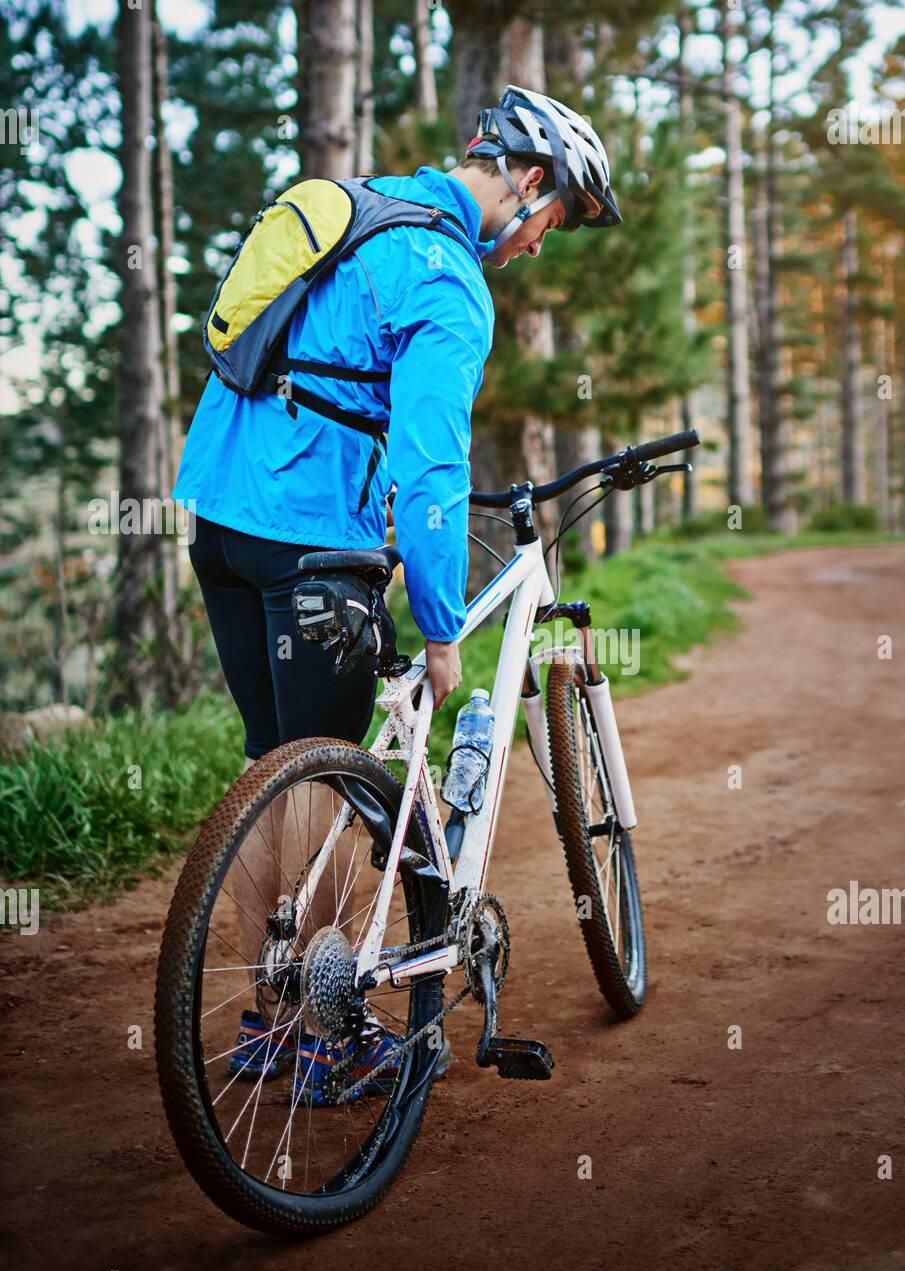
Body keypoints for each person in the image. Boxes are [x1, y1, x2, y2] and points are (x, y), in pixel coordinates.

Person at [172, 86, 620, 1099]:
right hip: (307, 543)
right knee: (324, 787)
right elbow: (431, 473)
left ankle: (266, 1027)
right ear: (528, 181)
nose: (545, 241)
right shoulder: (450, 281)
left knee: (269, 772)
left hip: (219, 518)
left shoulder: (360, 207)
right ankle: (326, 1039)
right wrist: (441, 625)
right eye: (557, 219)